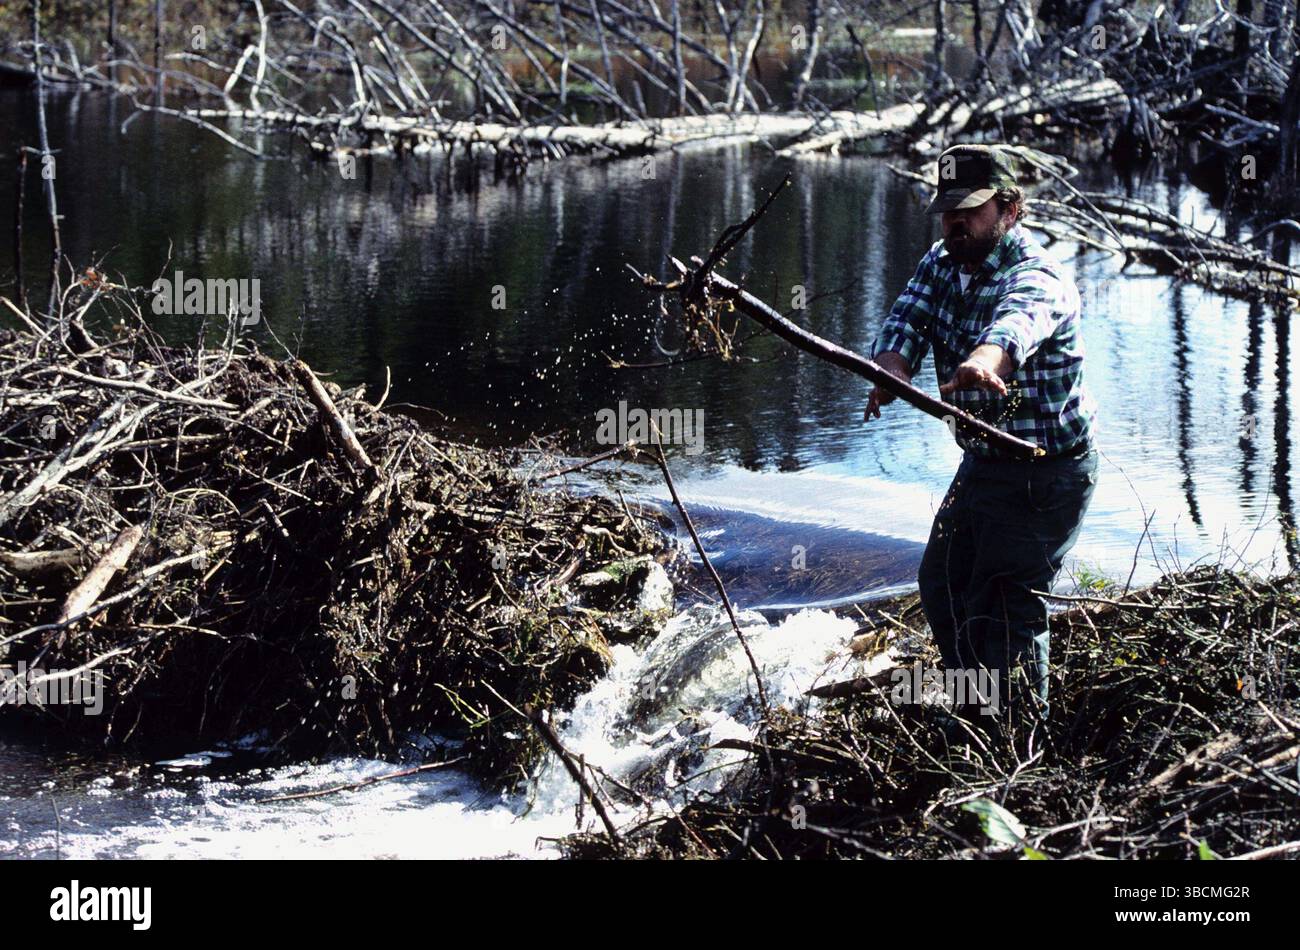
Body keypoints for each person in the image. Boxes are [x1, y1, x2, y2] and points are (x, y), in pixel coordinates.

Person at [863, 143, 1099, 732]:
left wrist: (985, 359)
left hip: (1048, 472)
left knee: (1006, 602)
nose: (954, 223)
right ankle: (977, 714)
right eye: (946, 211)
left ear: (1010, 208)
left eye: (968, 210)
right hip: (985, 461)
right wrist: (891, 368)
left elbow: (1018, 320)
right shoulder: (943, 259)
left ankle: (1018, 743)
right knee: (941, 585)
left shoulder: (1038, 275)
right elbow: (907, 318)